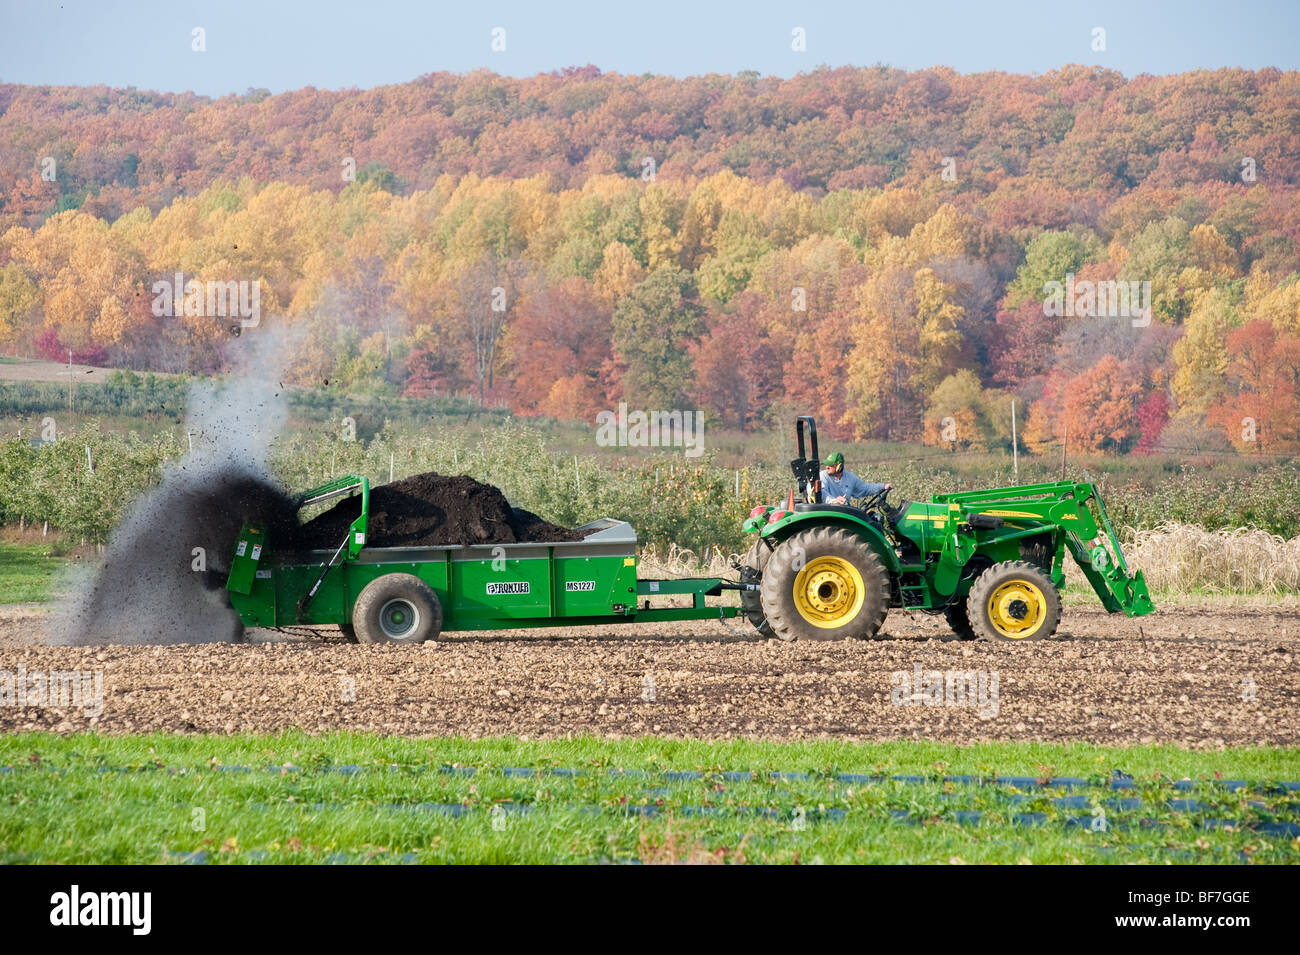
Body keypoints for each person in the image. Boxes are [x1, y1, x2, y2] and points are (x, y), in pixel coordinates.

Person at [819, 452, 892, 505]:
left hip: (844, 511)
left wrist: (883, 486)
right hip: (829, 510)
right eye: (826, 465)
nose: (827, 467)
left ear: (839, 467)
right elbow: (822, 493)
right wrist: (834, 501)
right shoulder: (823, 476)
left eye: (830, 465)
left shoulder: (850, 478)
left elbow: (865, 489)